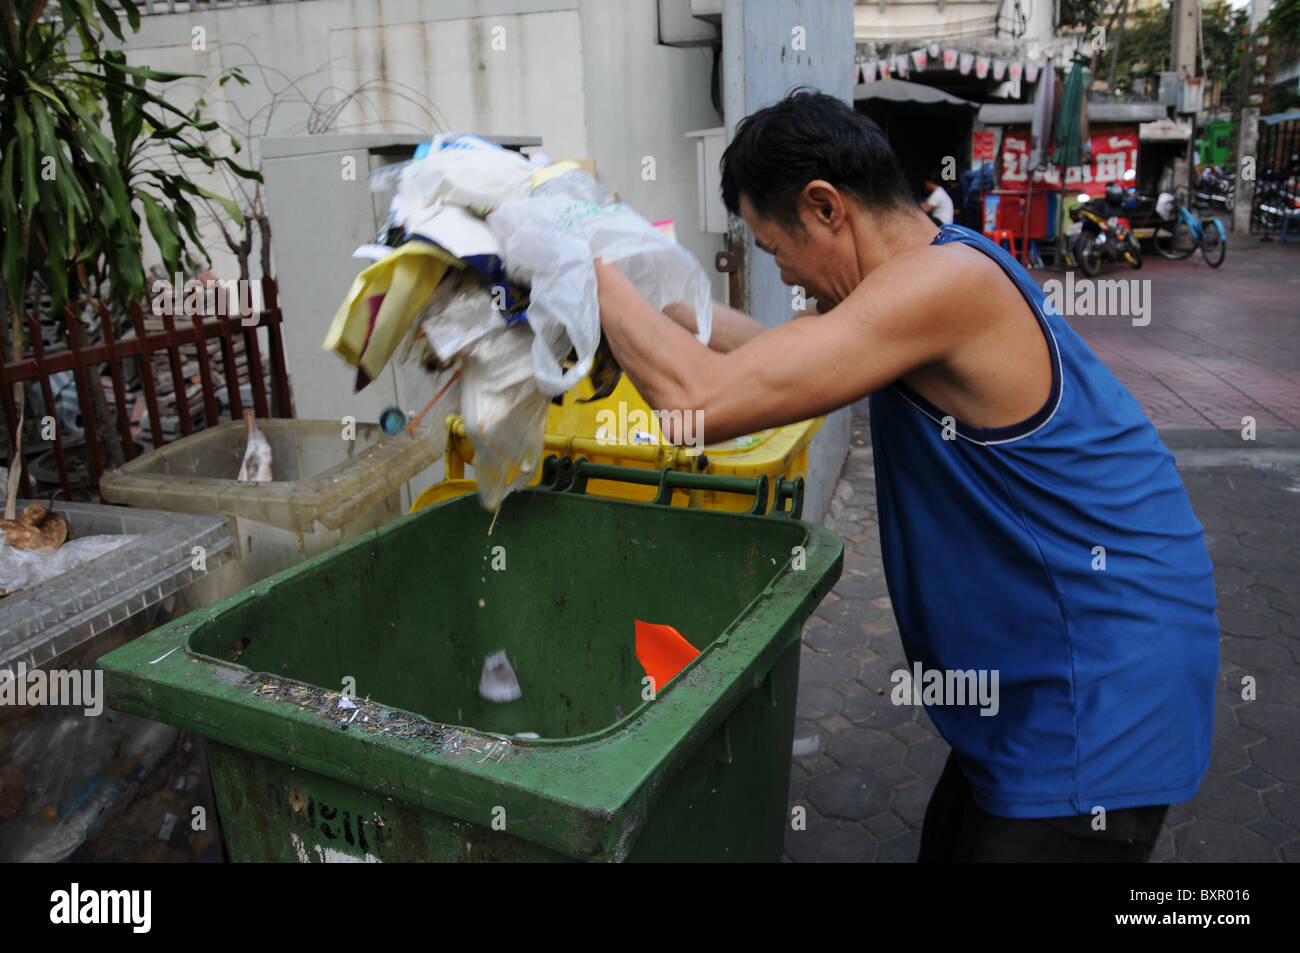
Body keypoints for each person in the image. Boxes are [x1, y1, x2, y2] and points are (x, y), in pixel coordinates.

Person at [593, 89, 1217, 863]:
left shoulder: (945, 286)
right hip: (1036, 683)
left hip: (1103, 682)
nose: (784, 273)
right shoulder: (916, 277)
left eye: (774, 246)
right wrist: (672, 305)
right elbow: (766, 359)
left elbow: (698, 403)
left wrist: (576, 262)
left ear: (826, 208)